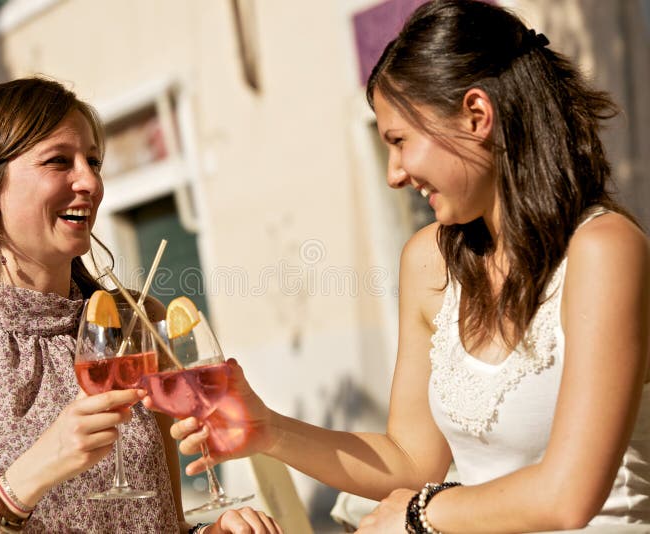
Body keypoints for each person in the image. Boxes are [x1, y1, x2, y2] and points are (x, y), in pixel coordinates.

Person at [159, 0, 650, 532]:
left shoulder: (602, 250)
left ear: (477, 116)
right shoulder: (429, 261)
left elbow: (568, 495)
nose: (394, 173)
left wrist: (421, 512)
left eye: (399, 141)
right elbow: (412, 460)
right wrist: (270, 429)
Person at [0, 77, 281, 534]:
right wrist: (27, 478)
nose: (89, 181)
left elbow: (160, 520)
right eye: (59, 161)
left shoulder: (140, 322)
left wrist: (211, 532)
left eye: (93, 161)